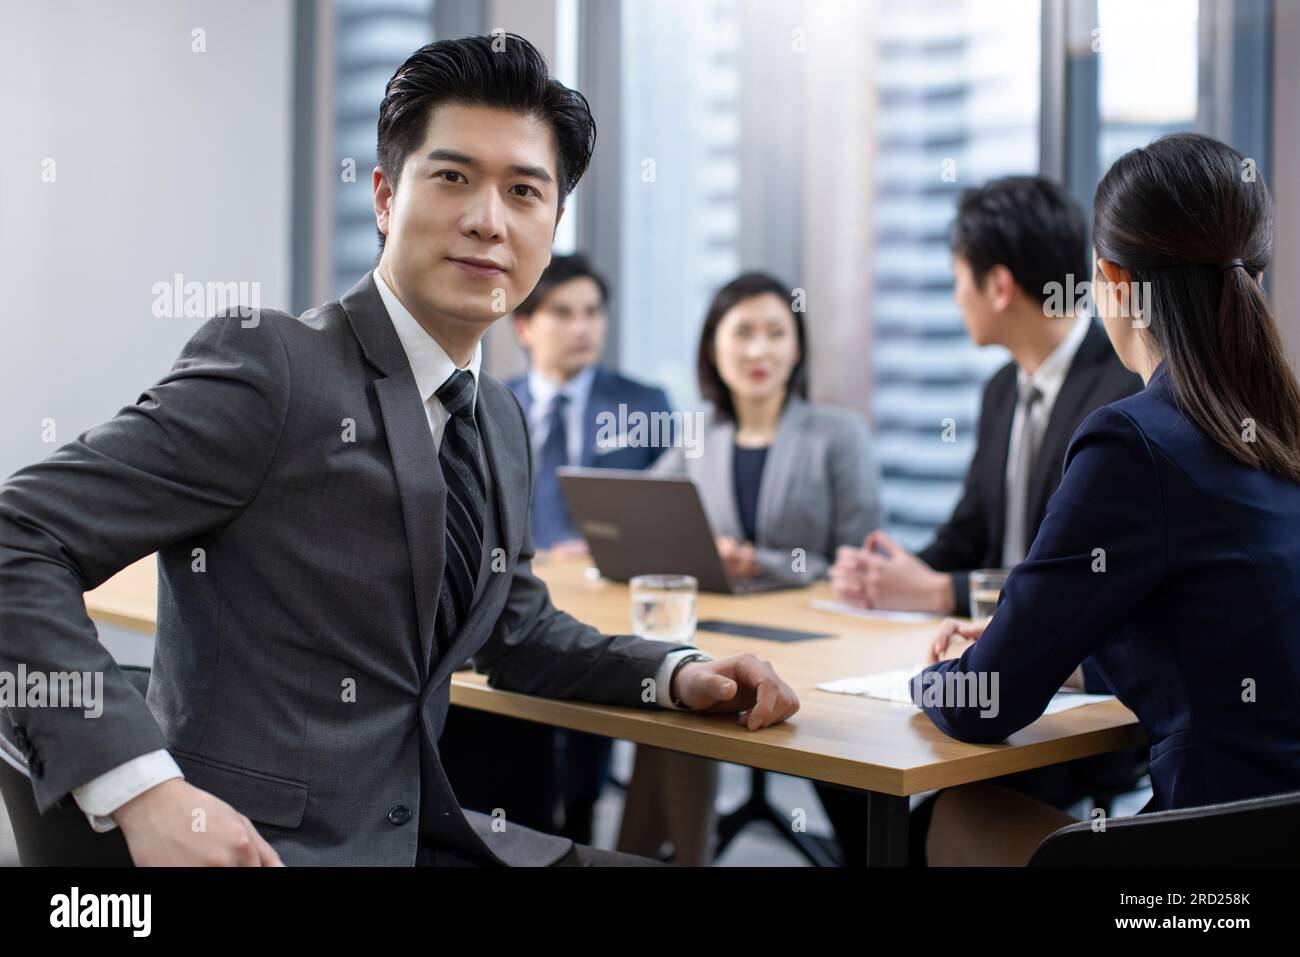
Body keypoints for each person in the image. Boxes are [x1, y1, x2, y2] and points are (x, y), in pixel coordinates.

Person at [0, 33, 799, 868]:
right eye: (452, 177)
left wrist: (677, 671)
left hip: (420, 829)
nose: (488, 220)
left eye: (524, 191)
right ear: (384, 196)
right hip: (258, 844)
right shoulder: (275, 367)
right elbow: (18, 535)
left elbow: (516, 631)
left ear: (552, 225)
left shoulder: (497, 417)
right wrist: (144, 789)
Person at [915, 132, 1300, 865]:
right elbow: (1228, 634)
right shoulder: (1279, 429)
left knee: (951, 815)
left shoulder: (1134, 442)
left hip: (1214, 873)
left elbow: (985, 702)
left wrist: (924, 676)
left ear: (1111, 279)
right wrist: (1059, 657)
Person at [822, 176, 1143, 865]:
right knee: (839, 762)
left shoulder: (1119, 395)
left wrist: (942, 591)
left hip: (1075, 697)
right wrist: (894, 572)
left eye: (958, 279)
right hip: (1003, 655)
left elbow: (1074, 580)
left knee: (908, 790)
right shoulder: (1004, 387)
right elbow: (969, 529)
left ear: (998, 285)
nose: (955, 296)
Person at [617, 272, 881, 864]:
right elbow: (646, 520)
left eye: (775, 334)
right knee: (669, 696)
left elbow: (857, 562)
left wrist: (753, 562)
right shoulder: (695, 435)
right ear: (714, 346)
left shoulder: (837, 435)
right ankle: (677, 856)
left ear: (798, 346)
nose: (759, 350)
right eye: (742, 333)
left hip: (818, 646)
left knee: (674, 700)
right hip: (715, 636)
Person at [440, 254, 674, 845]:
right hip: (515, 598)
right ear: (525, 327)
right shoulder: (485, 406)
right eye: (564, 313)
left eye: (593, 313)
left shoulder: (642, 405)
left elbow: (671, 517)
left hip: (607, 599)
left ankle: (585, 814)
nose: (582, 328)